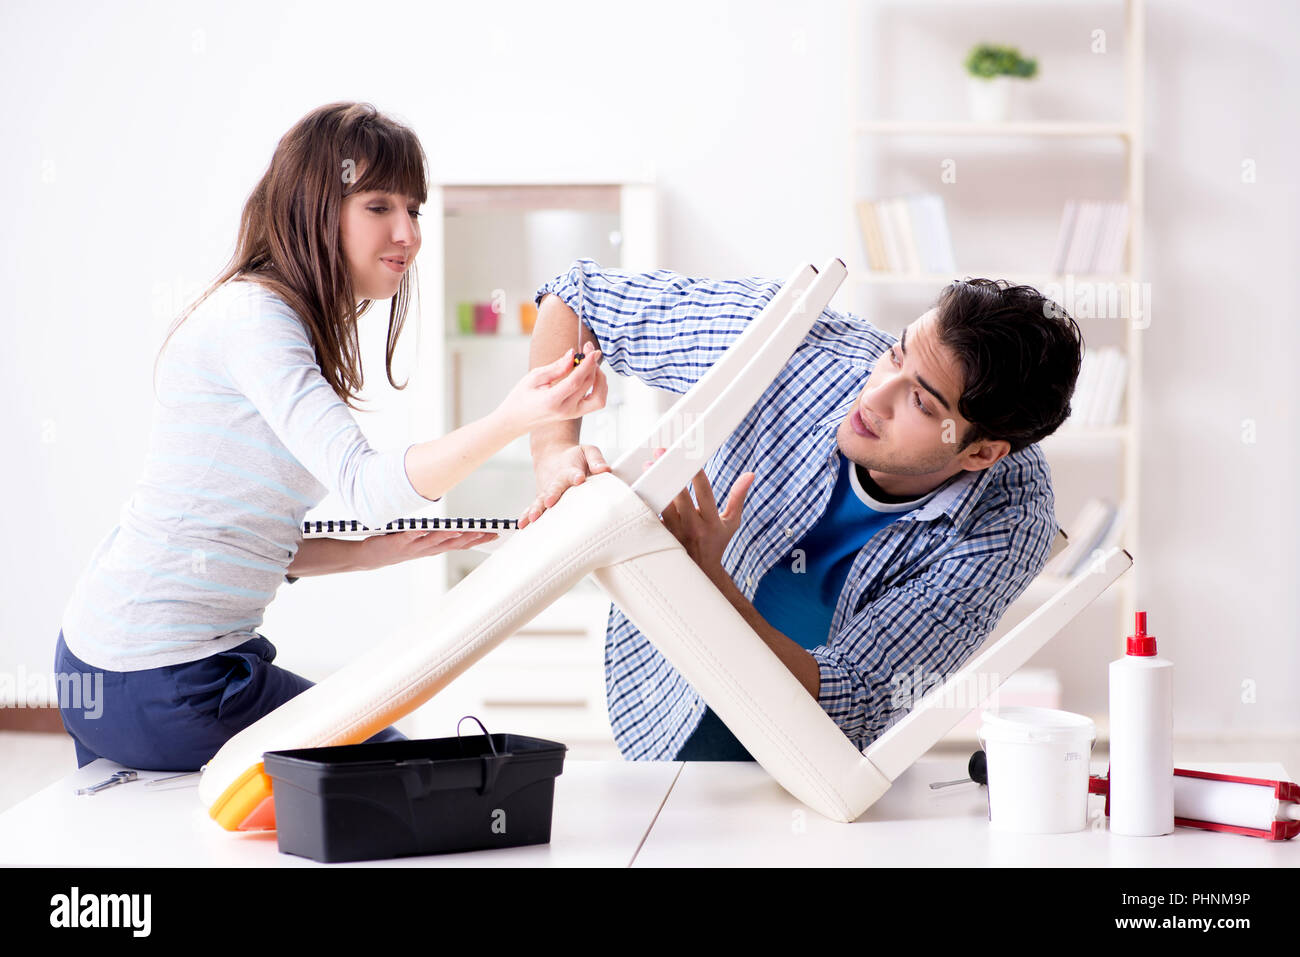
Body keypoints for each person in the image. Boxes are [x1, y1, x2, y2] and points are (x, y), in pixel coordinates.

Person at [53, 103, 606, 771]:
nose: (408, 232)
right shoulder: (257, 320)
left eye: (415, 209)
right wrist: (516, 417)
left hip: (109, 665)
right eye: (378, 206)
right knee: (401, 774)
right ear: (315, 209)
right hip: (169, 679)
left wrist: (369, 553)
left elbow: (231, 532)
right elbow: (368, 487)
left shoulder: (268, 317)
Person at [520, 259, 1082, 760]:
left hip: (806, 752)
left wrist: (711, 581)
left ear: (982, 452)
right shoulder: (794, 349)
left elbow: (856, 698)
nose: (875, 394)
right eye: (896, 352)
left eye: (918, 401)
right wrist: (553, 453)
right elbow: (579, 297)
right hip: (663, 690)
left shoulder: (1010, 522)